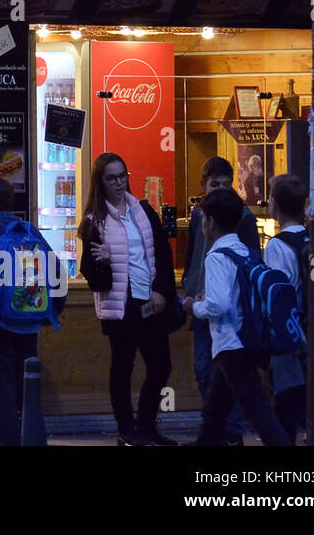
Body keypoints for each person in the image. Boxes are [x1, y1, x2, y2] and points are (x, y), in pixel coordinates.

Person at [79, 152, 178, 446]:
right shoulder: (93, 221)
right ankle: (127, 429)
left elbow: (162, 253)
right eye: (112, 178)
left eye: (123, 176)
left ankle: (146, 425)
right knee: (123, 366)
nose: (119, 183)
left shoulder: (143, 211)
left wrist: (162, 291)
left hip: (149, 297)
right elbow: (94, 279)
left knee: (161, 365)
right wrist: (105, 261)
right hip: (120, 304)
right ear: (101, 181)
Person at [183, 189, 292, 446]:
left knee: (258, 410)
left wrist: (193, 306)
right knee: (215, 408)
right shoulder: (244, 252)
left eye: (203, 219)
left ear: (210, 222)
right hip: (245, 339)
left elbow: (219, 304)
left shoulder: (217, 256)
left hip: (232, 343)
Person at [0, 176, 65, 445]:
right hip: (29, 324)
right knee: (29, 391)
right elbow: (58, 274)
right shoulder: (29, 231)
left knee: (4, 393)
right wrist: (49, 312)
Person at [182, 156, 254, 444]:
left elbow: (249, 263)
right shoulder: (201, 214)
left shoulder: (242, 217)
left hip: (225, 312)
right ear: (203, 186)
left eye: (227, 184)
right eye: (215, 184)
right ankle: (217, 433)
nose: (222, 189)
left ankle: (228, 433)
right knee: (204, 371)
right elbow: (192, 255)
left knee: (228, 376)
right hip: (202, 306)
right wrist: (190, 285)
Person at [262, 173, 308, 443]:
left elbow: (278, 293)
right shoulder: (311, 238)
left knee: (285, 401)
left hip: (290, 332)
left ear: (275, 205)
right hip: (312, 326)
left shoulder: (277, 245)